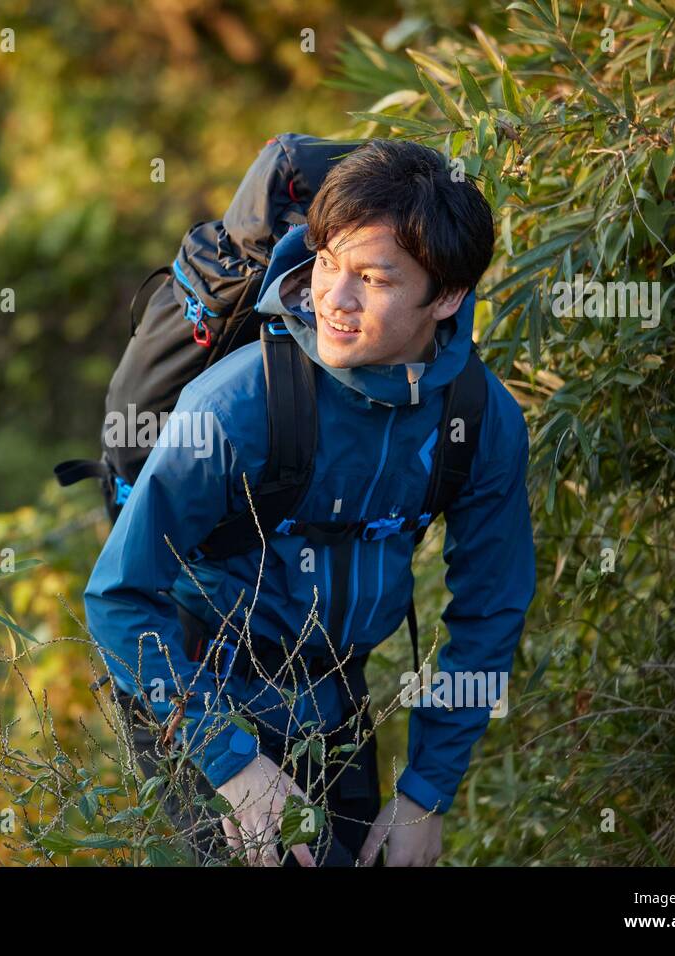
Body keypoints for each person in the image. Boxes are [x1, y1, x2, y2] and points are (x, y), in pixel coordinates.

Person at [84, 138, 536, 866]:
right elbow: (117, 597)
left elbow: (490, 609)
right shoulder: (237, 406)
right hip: (196, 679)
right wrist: (230, 764)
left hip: (330, 691)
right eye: (327, 261)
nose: (335, 298)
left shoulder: (478, 419)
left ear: (447, 294)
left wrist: (427, 791)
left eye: (373, 278)